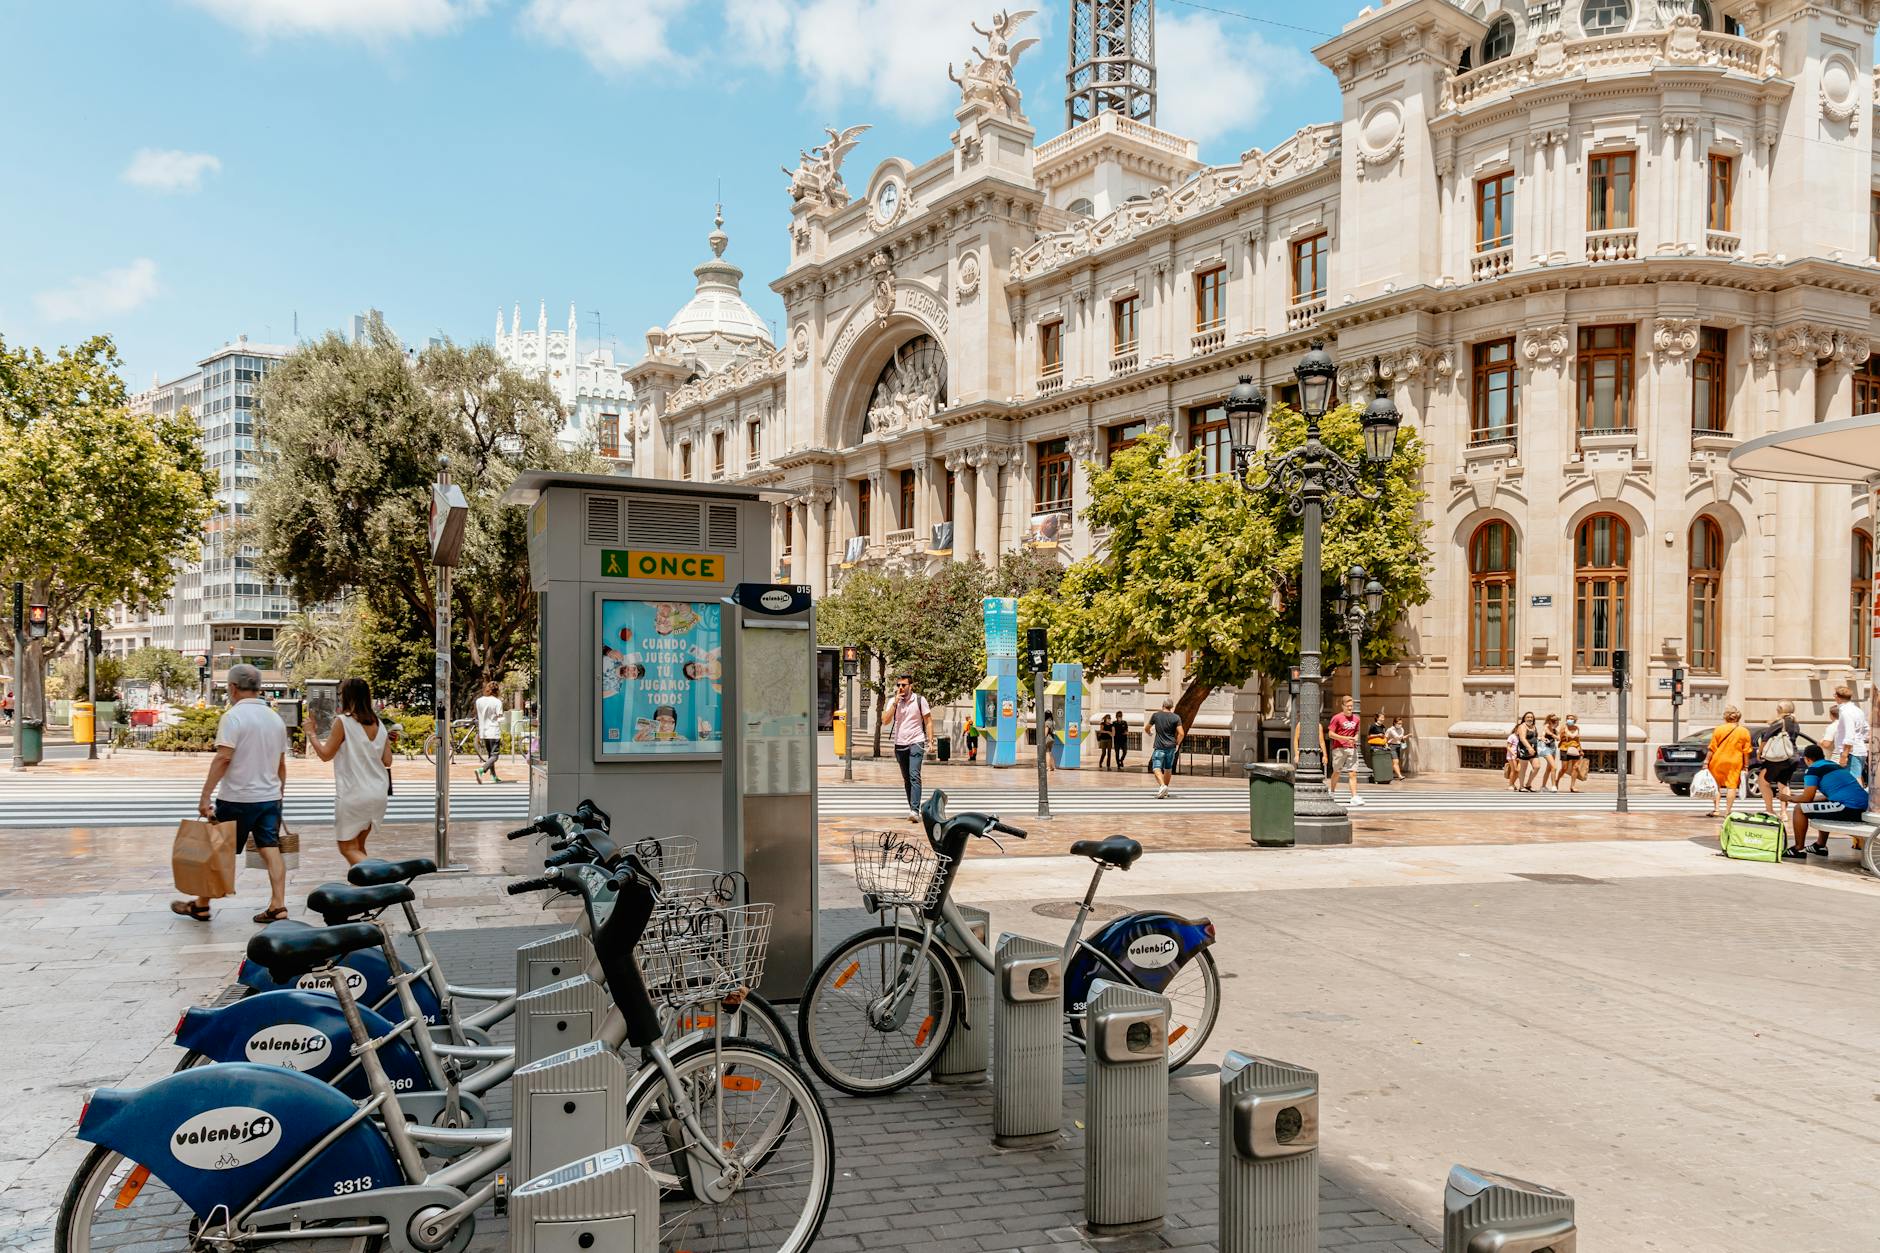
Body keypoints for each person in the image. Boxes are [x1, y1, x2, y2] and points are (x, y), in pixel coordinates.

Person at [173, 663, 289, 924]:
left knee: (217, 850)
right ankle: (278, 904)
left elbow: (223, 758)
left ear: (233, 688)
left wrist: (205, 796)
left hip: (237, 797)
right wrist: (279, 793)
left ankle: (201, 905)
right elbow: (281, 764)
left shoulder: (233, 717)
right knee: (270, 849)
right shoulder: (275, 719)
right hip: (269, 797)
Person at [309, 677, 392, 866]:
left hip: (353, 793)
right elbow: (387, 760)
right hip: (377, 793)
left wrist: (311, 733)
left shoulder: (343, 722)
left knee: (347, 847)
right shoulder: (379, 724)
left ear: (346, 696)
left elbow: (325, 754)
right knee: (359, 847)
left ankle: (381, 877)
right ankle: (362, 888)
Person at [1779, 742, 1868, 859]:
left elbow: (1807, 798)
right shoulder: (1833, 765)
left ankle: (1798, 848)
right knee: (1822, 805)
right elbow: (1824, 798)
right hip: (1861, 806)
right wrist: (1797, 797)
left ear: (1807, 759)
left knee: (1799, 809)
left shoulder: (1813, 770)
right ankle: (1820, 846)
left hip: (1848, 807)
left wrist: (1788, 798)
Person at [881, 673, 934, 821]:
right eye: (898, 685)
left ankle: (915, 811)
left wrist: (930, 741)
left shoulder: (920, 700)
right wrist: (895, 703)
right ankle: (912, 807)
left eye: (903, 685)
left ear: (911, 686)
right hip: (900, 744)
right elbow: (885, 721)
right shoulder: (893, 701)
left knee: (914, 776)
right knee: (906, 779)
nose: (900, 688)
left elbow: (928, 721)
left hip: (916, 742)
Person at [1754, 700, 1801, 820]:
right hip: (1792, 757)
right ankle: (1784, 813)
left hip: (1778, 758)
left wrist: (1760, 752)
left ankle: (1769, 809)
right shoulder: (1795, 723)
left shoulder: (1780, 722)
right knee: (1783, 784)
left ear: (1780, 710)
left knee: (1763, 782)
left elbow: (1766, 737)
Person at [1703, 705, 1753, 818]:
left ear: (1725, 716)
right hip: (1735, 761)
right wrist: (1746, 765)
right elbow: (1746, 751)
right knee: (1732, 786)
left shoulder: (1719, 729)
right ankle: (1728, 811)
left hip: (1717, 761)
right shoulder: (1744, 731)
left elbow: (1712, 747)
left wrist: (1706, 761)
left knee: (1716, 785)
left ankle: (1716, 809)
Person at [1828, 684, 1869, 784]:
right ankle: (1857, 798)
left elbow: (1849, 735)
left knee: (1853, 778)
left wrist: (1844, 755)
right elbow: (1866, 728)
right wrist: (1859, 738)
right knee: (1855, 776)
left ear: (1837, 696)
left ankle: (1858, 799)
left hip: (1852, 752)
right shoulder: (1857, 710)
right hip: (1858, 749)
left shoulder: (1846, 712)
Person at [1328, 694, 1363, 806]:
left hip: (1352, 749)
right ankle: (1332, 792)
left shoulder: (1356, 719)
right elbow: (1330, 734)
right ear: (1342, 706)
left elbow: (1356, 732)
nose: (1350, 708)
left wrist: (1355, 738)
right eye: (1347, 706)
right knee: (1337, 772)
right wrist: (1344, 738)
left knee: (1353, 773)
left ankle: (1354, 796)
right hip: (1339, 749)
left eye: (1351, 706)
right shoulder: (1337, 718)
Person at [1146, 698, 1184, 799]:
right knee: (1168, 768)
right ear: (1172, 707)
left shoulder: (1156, 715)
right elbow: (1181, 733)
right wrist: (1177, 743)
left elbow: (1147, 728)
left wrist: (1149, 732)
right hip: (1171, 747)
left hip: (1159, 747)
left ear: (1162, 705)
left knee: (1156, 767)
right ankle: (1165, 790)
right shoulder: (1176, 717)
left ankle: (1162, 786)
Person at [473, 681, 504, 784]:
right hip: (494, 730)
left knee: (490, 755)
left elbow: (478, 715)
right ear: (497, 691)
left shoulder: (479, 701)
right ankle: (482, 769)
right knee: (495, 756)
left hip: (484, 732)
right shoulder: (497, 702)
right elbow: (500, 718)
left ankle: (494, 776)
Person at [1557, 714, 1585, 792]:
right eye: (1568, 718)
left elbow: (1578, 740)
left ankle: (1572, 786)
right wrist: (1563, 734)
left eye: (1571, 719)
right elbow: (1560, 738)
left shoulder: (1577, 728)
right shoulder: (1563, 727)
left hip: (1575, 749)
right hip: (1565, 748)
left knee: (1575, 767)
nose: (1570, 720)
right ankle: (1557, 781)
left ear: (1574, 720)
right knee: (1564, 768)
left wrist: (1581, 750)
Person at [1537, 713, 1562, 791]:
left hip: (1553, 749)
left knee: (1549, 769)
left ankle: (1543, 786)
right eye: (1554, 720)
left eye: (1557, 720)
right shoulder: (1546, 727)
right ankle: (1554, 786)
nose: (1556, 722)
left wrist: (1553, 734)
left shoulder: (1554, 730)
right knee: (1554, 767)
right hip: (1546, 748)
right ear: (1549, 721)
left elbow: (1559, 738)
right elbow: (1542, 735)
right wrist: (1544, 738)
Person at [1385, 715, 1409, 779]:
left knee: (1396, 761)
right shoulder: (1390, 729)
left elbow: (1400, 739)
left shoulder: (1402, 729)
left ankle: (1391, 774)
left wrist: (1403, 741)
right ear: (1394, 723)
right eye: (1398, 723)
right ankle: (1399, 776)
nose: (1400, 725)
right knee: (1396, 761)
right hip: (1391, 746)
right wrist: (1386, 745)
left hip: (1398, 746)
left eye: (1401, 723)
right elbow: (1387, 738)